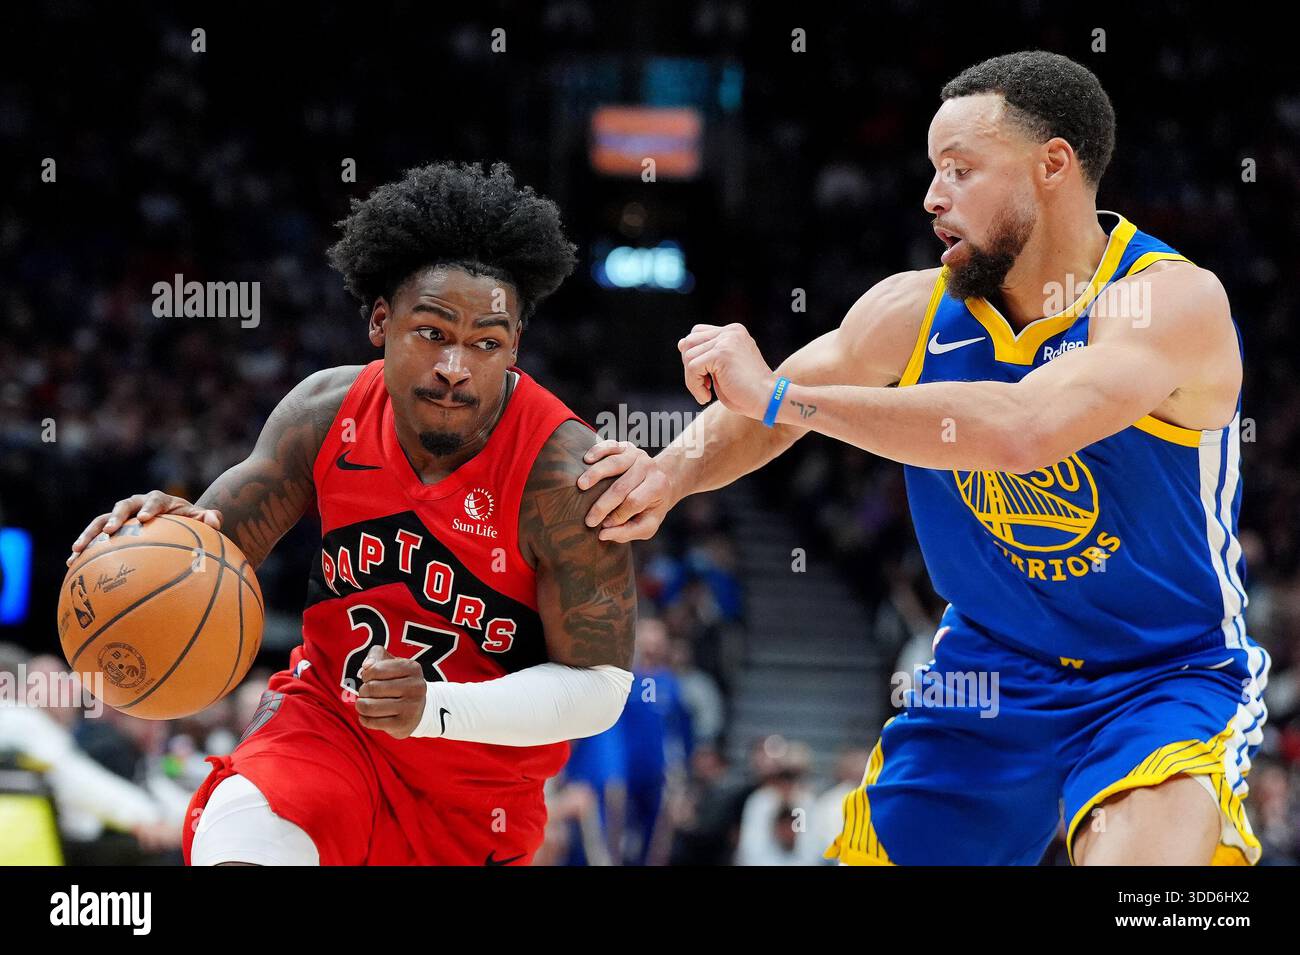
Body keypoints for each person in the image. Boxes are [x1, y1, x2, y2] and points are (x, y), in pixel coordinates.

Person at [577, 51, 1269, 865]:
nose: (933, 196)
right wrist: (668, 473)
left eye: (961, 170)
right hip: (992, 667)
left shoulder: (1167, 301)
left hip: (1160, 673)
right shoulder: (913, 310)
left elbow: (1026, 429)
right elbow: (765, 415)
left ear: (1053, 164)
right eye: (934, 170)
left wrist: (781, 397)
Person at [67, 162, 637, 865]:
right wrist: (157, 539)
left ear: (514, 344)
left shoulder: (564, 472)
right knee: (241, 834)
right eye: (432, 331)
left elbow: (602, 689)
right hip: (326, 730)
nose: (456, 365)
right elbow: (209, 558)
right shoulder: (324, 413)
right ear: (380, 321)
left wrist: (434, 707)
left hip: (475, 794)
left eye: (486, 342)